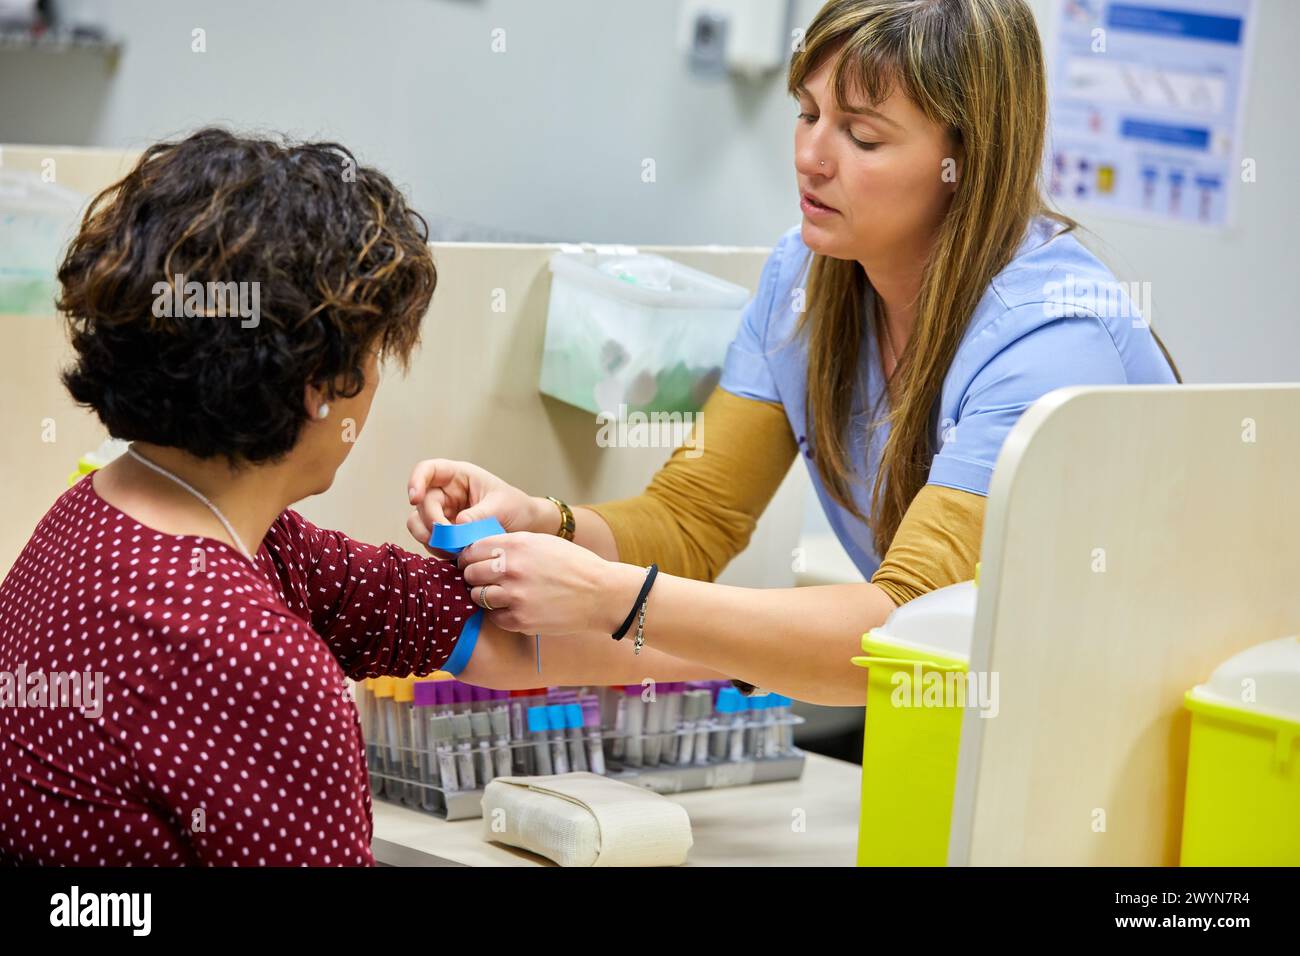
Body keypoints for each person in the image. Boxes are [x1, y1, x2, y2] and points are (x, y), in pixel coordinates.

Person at [406, 0, 1179, 706]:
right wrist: (548, 522)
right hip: (981, 708)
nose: (812, 155)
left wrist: (616, 598)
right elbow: (691, 522)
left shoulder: (1049, 338)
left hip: (1117, 715)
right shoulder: (804, 281)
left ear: (966, 162)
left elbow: (902, 636)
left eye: (863, 134)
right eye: (807, 113)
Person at [0, 128, 718, 866]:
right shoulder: (254, 658)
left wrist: (733, 649)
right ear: (320, 388)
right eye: (376, 354)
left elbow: (487, 634)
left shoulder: (106, 515)